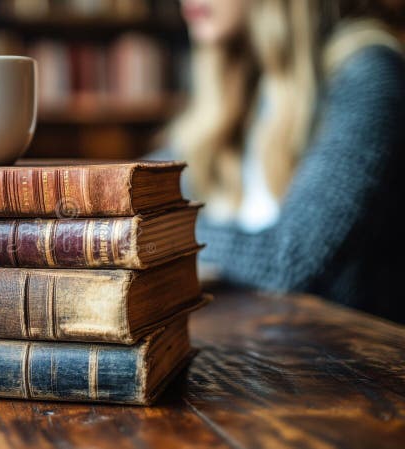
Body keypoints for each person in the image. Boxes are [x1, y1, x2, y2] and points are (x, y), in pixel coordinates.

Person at [163, 0, 405, 321]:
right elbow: (140, 185)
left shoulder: (368, 76)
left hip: (344, 360)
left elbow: (287, 261)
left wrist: (157, 233)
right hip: (252, 343)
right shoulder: (242, 86)